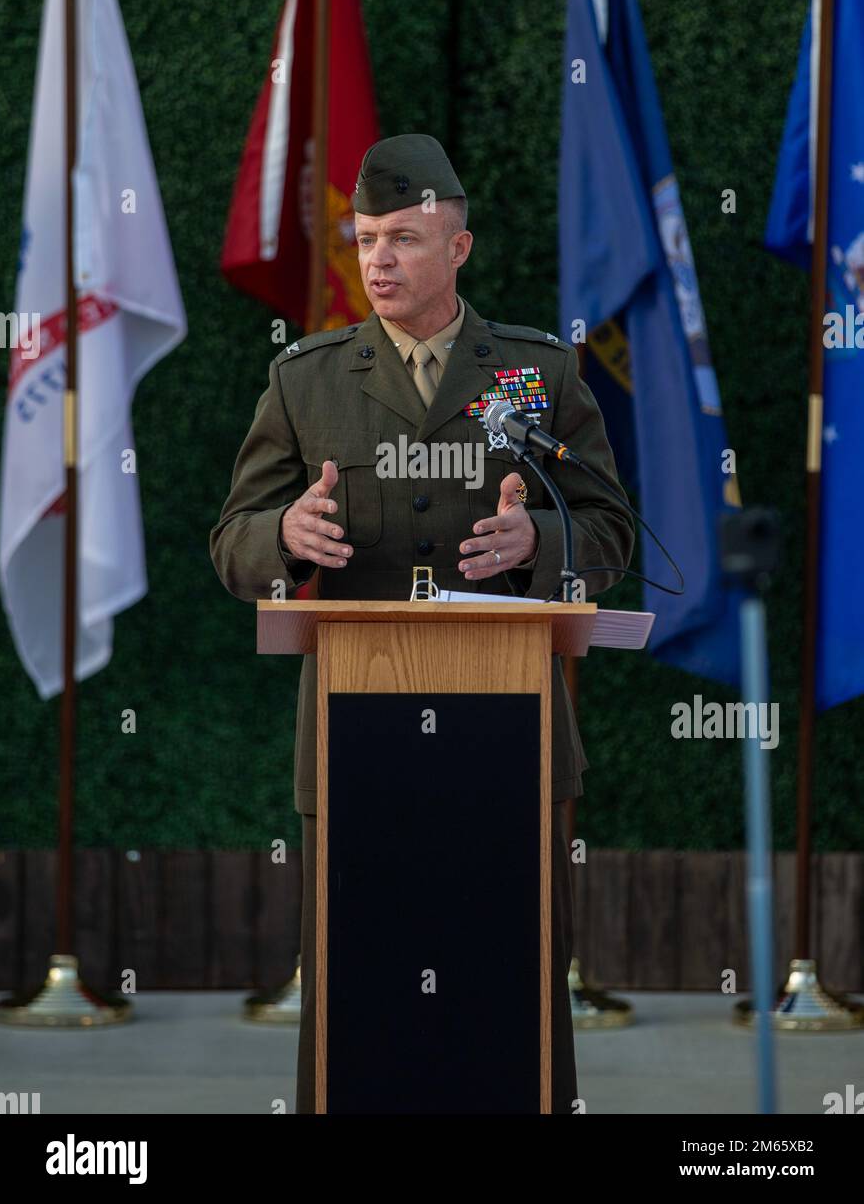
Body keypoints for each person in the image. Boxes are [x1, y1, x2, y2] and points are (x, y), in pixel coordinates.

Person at [210, 133, 635, 1113]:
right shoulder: (307, 381)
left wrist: (535, 538)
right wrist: (288, 531)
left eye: (403, 237)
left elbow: (612, 527)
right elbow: (231, 540)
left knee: (512, 985)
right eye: (365, 239)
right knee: (360, 986)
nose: (379, 261)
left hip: (510, 740)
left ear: (460, 248)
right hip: (356, 744)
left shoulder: (531, 373)